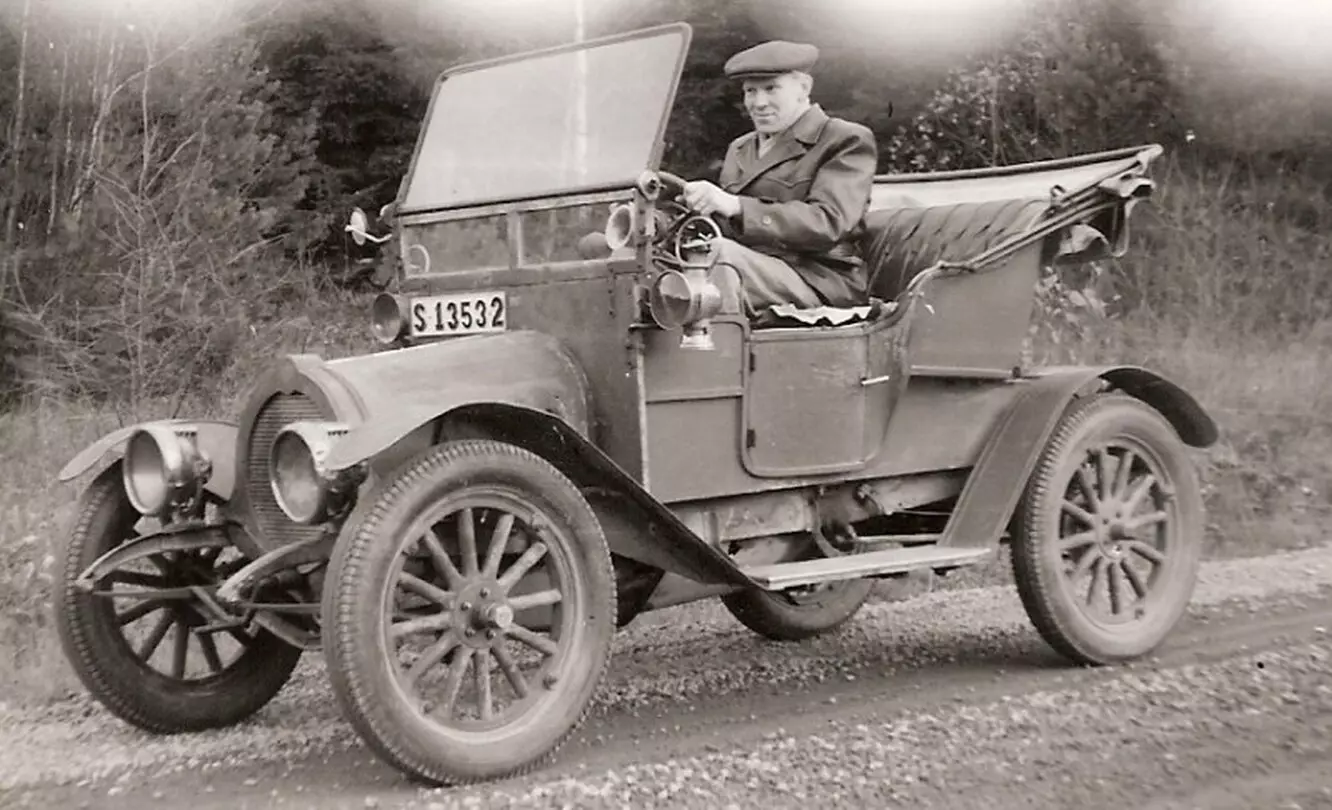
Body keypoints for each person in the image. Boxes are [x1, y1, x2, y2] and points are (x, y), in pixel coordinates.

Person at [682, 40, 879, 317]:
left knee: (715, 255)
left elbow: (829, 222)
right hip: (755, 268)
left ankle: (715, 355)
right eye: (750, 91)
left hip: (819, 279)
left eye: (771, 88)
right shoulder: (741, 148)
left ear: (803, 88)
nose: (759, 103)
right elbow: (724, 225)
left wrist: (737, 206)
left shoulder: (844, 139)